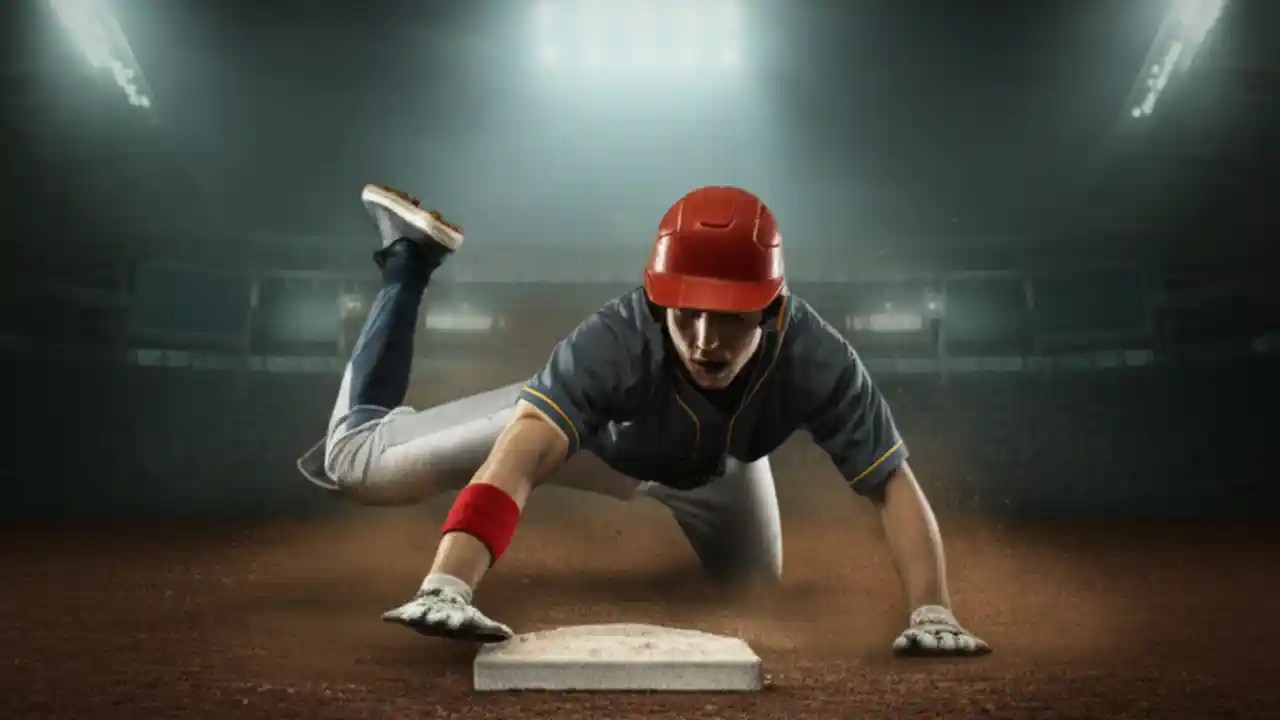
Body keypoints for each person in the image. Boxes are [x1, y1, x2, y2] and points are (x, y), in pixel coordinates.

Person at [296, 183, 991, 657]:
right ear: (660, 299)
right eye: (685, 310)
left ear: (773, 311)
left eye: (729, 317)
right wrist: (450, 581)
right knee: (359, 466)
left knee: (753, 593)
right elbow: (523, 455)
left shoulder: (820, 359)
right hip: (588, 444)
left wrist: (934, 609)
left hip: (722, 473)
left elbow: (892, 486)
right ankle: (409, 262)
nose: (702, 339)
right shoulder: (616, 340)